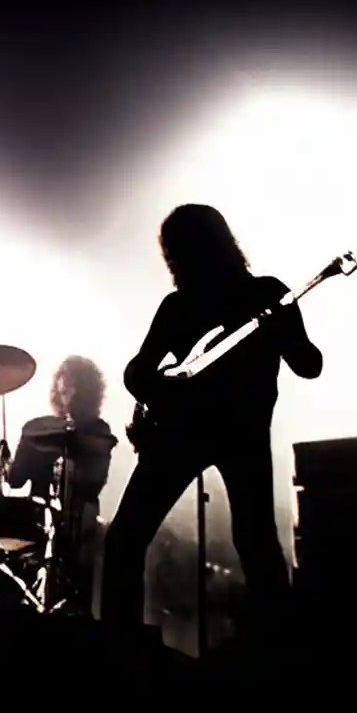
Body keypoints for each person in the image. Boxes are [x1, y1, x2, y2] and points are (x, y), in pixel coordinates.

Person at [100, 203, 322, 637]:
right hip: (205, 434)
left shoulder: (263, 295)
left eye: (175, 253)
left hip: (227, 433)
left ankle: (119, 650)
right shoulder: (181, 307)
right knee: (252, 544)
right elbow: (139, 371)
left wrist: (281, 327)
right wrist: (158, 399)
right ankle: (278, 647)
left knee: (133, 540)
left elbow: (307, 363)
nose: (172, 263)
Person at [5, 355, 117, 611]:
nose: (70, 393)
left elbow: (96, 481)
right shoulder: (38, 430)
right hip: (38, 524)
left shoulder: (98, 431)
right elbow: (16, 478)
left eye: (76, 387)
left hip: (80, 524)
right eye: (65, 387)